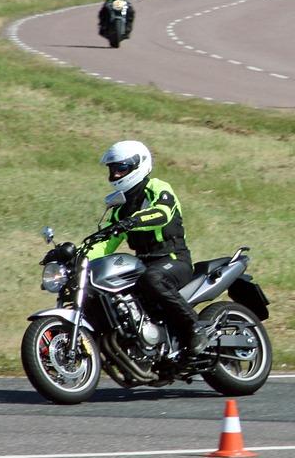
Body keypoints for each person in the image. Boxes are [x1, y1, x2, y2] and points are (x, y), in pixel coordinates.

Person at [88, 140, 210, 356]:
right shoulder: (120, 209)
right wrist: (77, 256)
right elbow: (105, 242)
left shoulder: (157, 188)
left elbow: (163, 213)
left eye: (121, 169)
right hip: (143, 264)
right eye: (112, 169)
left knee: (151, 279)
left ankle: (195, 327)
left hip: (173, 258)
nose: (115, 175)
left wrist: (133, 221)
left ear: (138, 165)